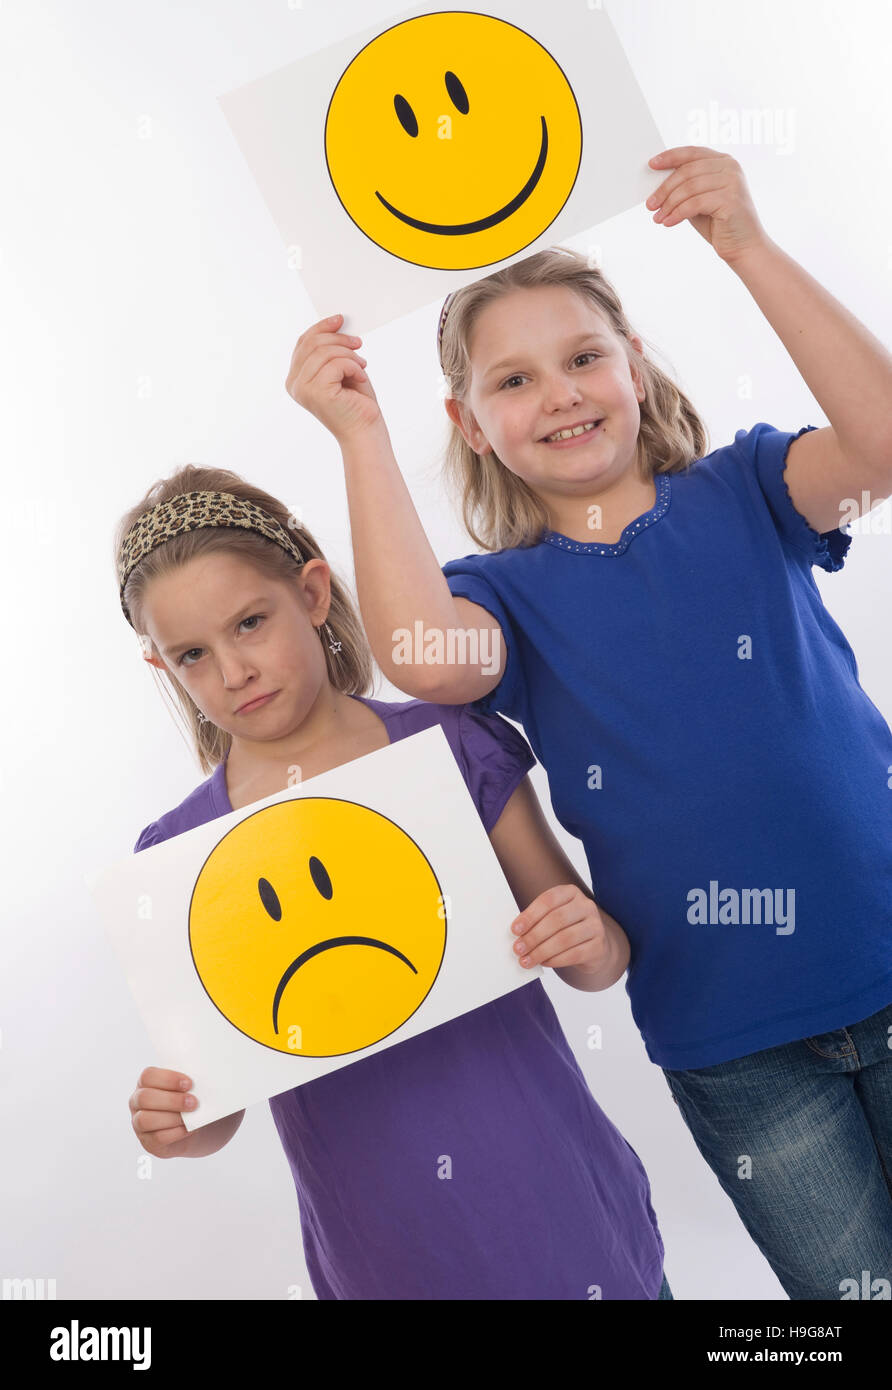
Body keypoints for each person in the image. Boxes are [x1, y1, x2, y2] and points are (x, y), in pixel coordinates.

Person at [285, 145, 892, 1300]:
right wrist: (360, 437)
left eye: (581, 358)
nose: (557, 391)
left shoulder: (750, 490)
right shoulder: (502, 595)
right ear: (469, 424)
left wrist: (746, 246)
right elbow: (420, 656)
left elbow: (881, 444)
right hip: (739, 1047)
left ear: (637, 369)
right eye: (511, 382)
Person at [116, 468, 671, 1300]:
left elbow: (596, 958)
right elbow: (221, 1098)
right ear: (163, 666)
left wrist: (586, 936)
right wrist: (180, 1126)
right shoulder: (181, 854)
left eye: (250, 623)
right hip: (383, 1253)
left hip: (560, 1214)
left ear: (309, 592)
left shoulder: (450, 748)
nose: (233, 671)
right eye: (195, 654)